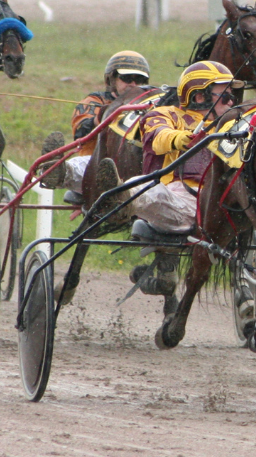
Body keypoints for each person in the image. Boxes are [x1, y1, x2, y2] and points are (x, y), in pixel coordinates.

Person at [95, 60, 241, 296]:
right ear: (200, 96)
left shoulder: (234, 123)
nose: (231, 101)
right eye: (224, 95)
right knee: (152, 191)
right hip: (180, 200)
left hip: (222, 204)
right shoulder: (166, 114)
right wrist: (182, 139)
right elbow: (157, 136)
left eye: (232, 95)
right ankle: (122, 196)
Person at [38, 51, 151, 196]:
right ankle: (56, 171)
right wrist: (100, 118)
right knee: (87, 166)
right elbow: (81, 131)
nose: (134, 84)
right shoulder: (95, 101)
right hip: (96, 161)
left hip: (136, 165)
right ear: (111, 80)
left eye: (140, 80)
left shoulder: (150, 105)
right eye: (127, 78)